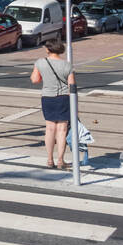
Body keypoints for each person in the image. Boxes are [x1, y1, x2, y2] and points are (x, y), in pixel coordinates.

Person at [30, 39, 76, 169]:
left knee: (50, 129)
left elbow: (35, 80)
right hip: (63, 99)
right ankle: (61, 160)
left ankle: (50, 160)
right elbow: (72, 86)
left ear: (48, 49)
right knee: (62, 130)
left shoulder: (40, 62)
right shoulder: (67, 65)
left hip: (47, 98)